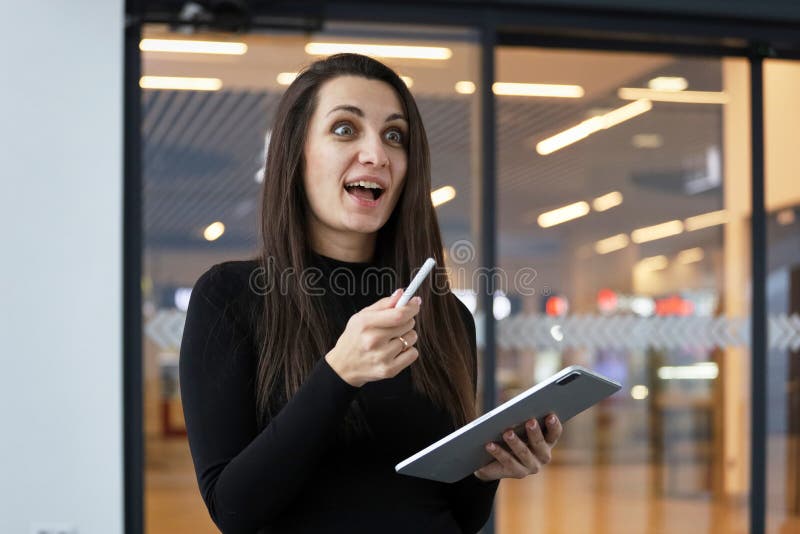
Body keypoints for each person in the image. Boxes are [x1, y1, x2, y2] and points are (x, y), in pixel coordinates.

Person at [179, 53, 562, 534]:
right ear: (295, 153)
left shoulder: (444, 317)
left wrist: (486, 472)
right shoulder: (230, 297)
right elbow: (233, 510)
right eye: (345, 129)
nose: (377, 154)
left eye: (394, 136)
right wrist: (339, 374)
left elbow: (459, 514)